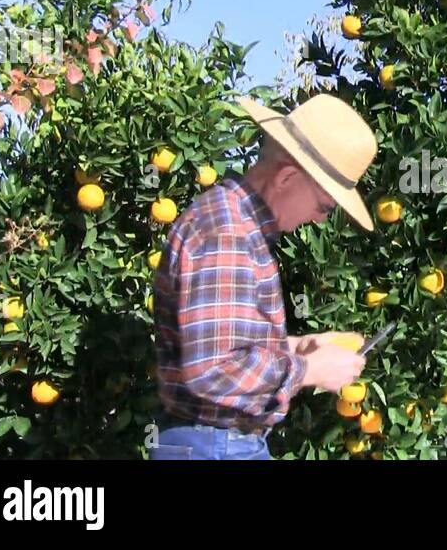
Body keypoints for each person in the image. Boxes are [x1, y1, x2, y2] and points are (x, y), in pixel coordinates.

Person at [148, 94, 378, 460]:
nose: (320, 219)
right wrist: (309, 369)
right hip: (215, 447)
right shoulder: (227, 233)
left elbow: (218, 342)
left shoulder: (235, 225)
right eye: (323, 206)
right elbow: (213, 368)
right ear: (287, 176)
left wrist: (297, 346)